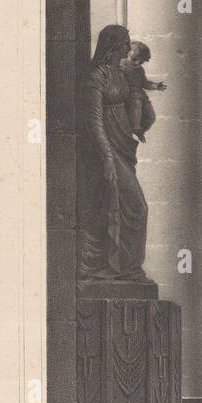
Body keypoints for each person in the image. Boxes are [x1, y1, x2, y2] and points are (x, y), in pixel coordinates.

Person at [78, 24, 152, 283]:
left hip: (123, 147)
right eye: (124, 43)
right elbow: (94, 121)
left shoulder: (120, 73)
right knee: (133, 206)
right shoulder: (97, 77)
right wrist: (107, 158)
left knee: (128, 206)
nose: (127, 47)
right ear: (112, 46)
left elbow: (136, 99)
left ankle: (126, 268)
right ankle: (113, 267)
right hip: (107, 151)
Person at [119, 40, 166, 143]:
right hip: (130, 95)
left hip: (141, 95)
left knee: (151, 116)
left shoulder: (139, 69)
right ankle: (135, 128)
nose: (137, 63)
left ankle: (139, 131)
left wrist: (156, 86)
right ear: (128, 54)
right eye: (135, 59)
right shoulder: (121, 65)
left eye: (141, 61)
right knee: (136, 107)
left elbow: (145, 83)